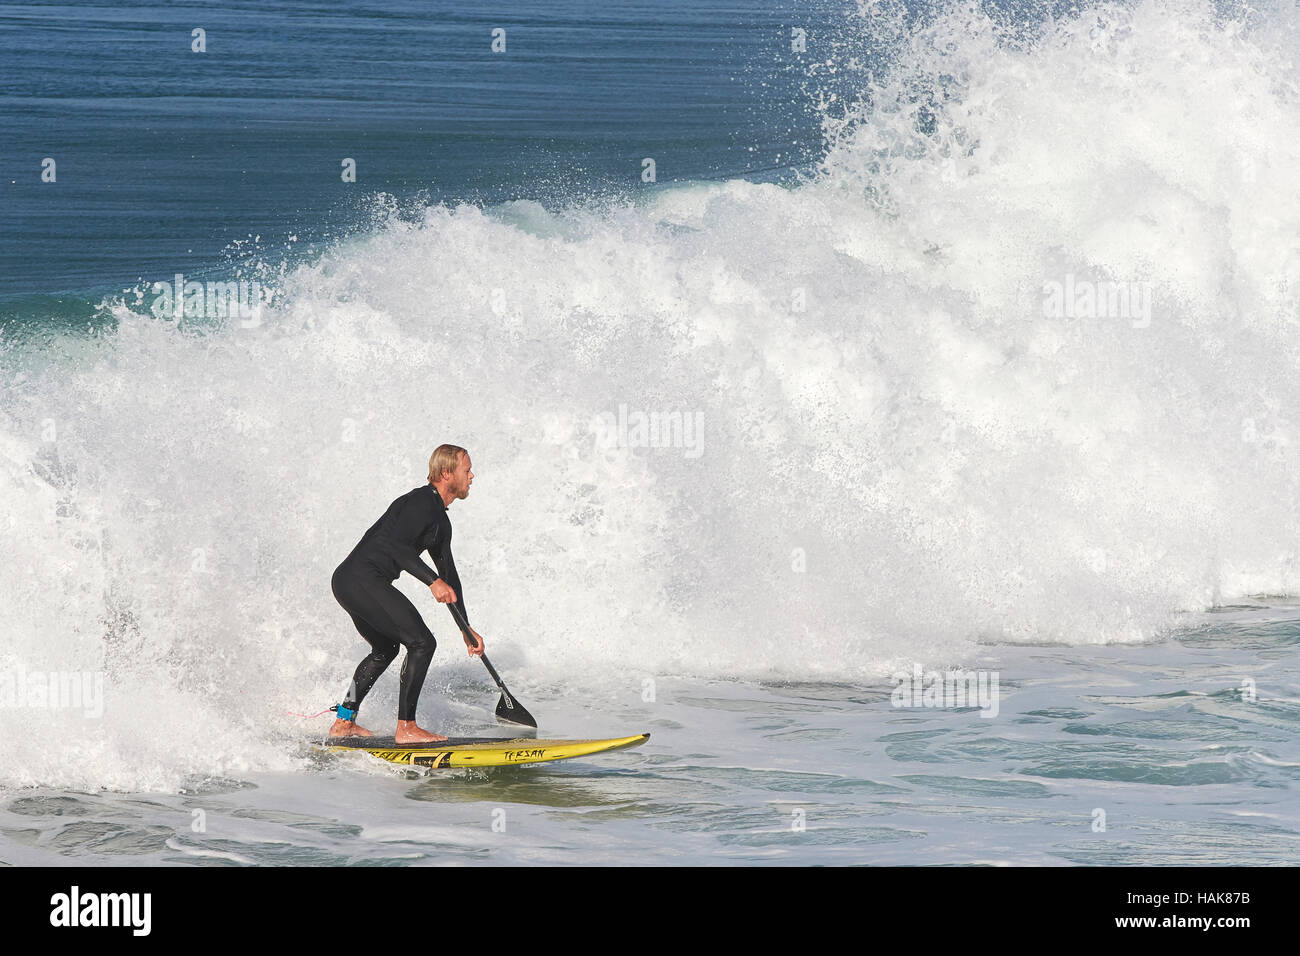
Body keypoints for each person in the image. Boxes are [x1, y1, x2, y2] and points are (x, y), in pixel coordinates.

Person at [328, 444, 485, 743]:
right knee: (422, 643)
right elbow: (395, 547)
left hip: (353, 582)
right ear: (446, 473)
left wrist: (465, 628)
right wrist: (431, 581)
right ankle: (407, 727)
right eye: (467, 470)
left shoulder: (441, 521)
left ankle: (344, 720)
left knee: (385, 650)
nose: (472, 476)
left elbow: (450, 577)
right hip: (360, 579)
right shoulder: (419, 503)